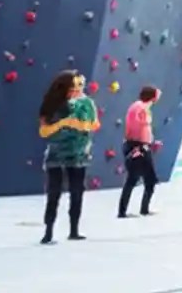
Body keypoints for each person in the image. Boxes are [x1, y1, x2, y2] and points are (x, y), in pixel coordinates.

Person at [38, 70, 101, 244]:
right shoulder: (52, 105)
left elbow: (94, 124)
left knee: (77, 192)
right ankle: (48, 231)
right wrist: (63, 123)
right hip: (56, 154)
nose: (76, 90)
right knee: (53, 193)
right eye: (73, 86)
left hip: (78, 154)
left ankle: (74, 229)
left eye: (79, 86)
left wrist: (81, 126)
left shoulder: (87, 103)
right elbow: (43, 131)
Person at [118, 86, 159, 218]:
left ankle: (138, 209)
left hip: (140, 145)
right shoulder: (140, 108)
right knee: (142, 178)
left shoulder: (141, 107)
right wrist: (139, 145)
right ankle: (129, 210)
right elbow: (135, 127)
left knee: (139, 178)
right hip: (138, 146)